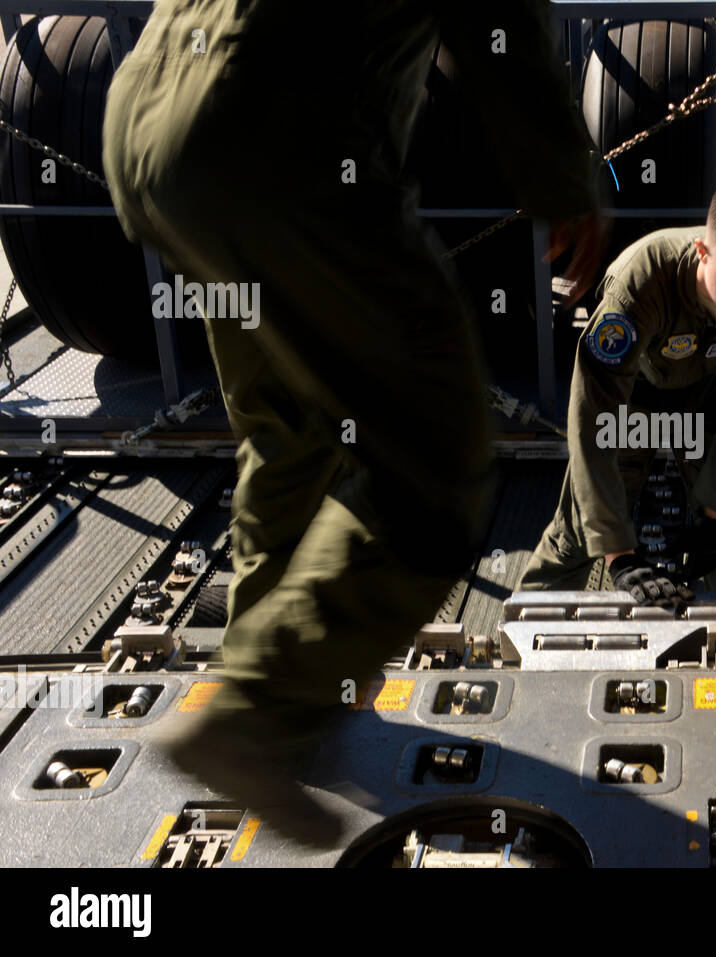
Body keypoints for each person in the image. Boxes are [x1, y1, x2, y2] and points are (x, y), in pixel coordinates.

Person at [101, 0, 606, 846]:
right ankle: (260, 711)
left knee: (288, 430)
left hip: (149, 125)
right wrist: (562, 182)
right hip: (277, 145)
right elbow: (498, 23)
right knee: (436, 455)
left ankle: (267, 706)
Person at [519, 171, 716, 603]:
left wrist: (714, 513)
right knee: (581, 527)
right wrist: (619, 554)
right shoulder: (642, 283)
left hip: (709, 397)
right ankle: (525, 622)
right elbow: (591, 416)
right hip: (632, 397)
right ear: (703, 252)